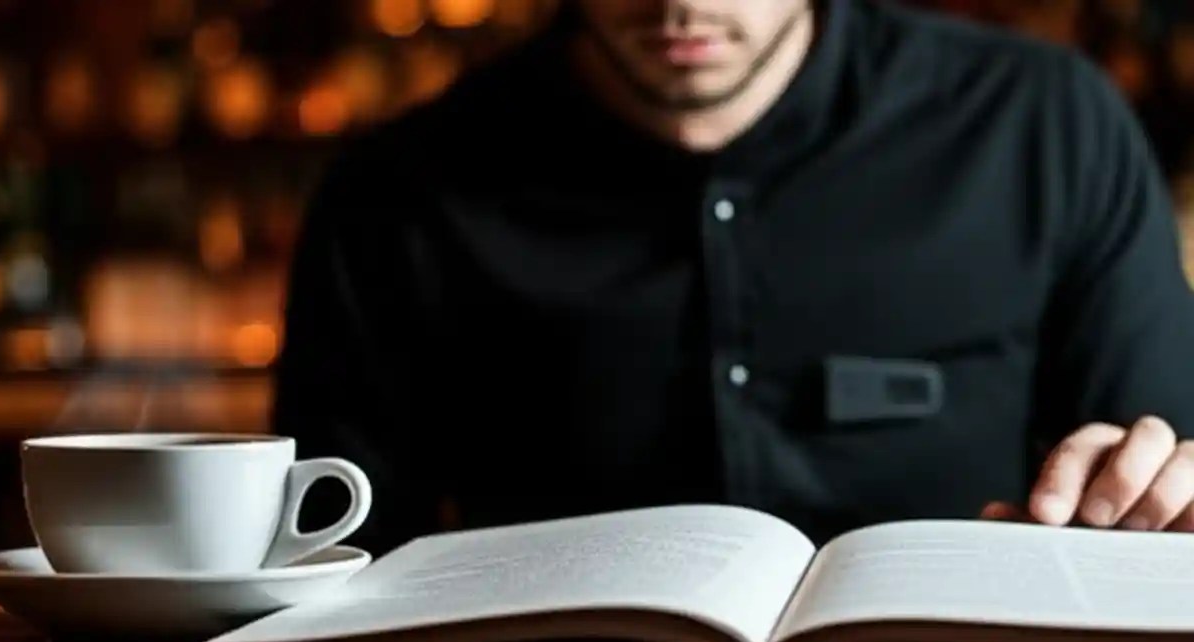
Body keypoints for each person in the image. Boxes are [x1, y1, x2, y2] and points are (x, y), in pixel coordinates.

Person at [272, 0, 1194, 555]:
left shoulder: (1046, 128)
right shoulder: (396, 194)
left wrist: (1159, 487)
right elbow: (326, 556)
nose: (680, 4)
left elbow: (1163, 479)